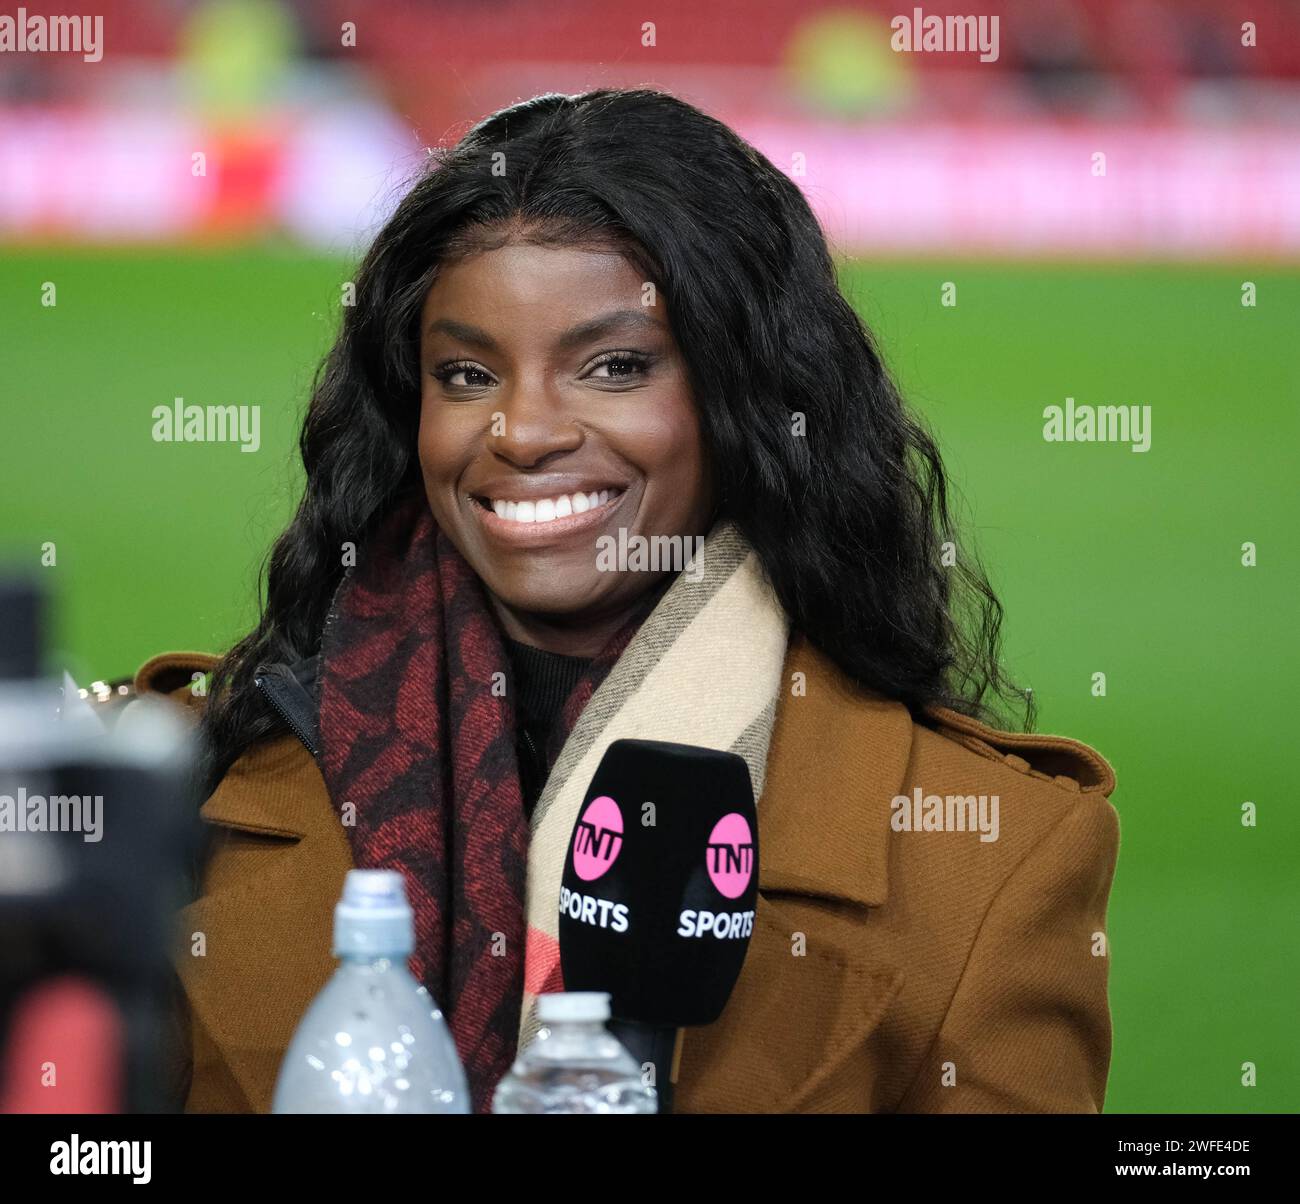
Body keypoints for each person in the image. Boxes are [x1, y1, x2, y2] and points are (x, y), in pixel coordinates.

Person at [136, 87, 1120, 1114]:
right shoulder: (179, 787)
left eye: (613, 367)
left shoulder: (993, 860)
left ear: (744, 397)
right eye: (466, 373)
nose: (521, 431)